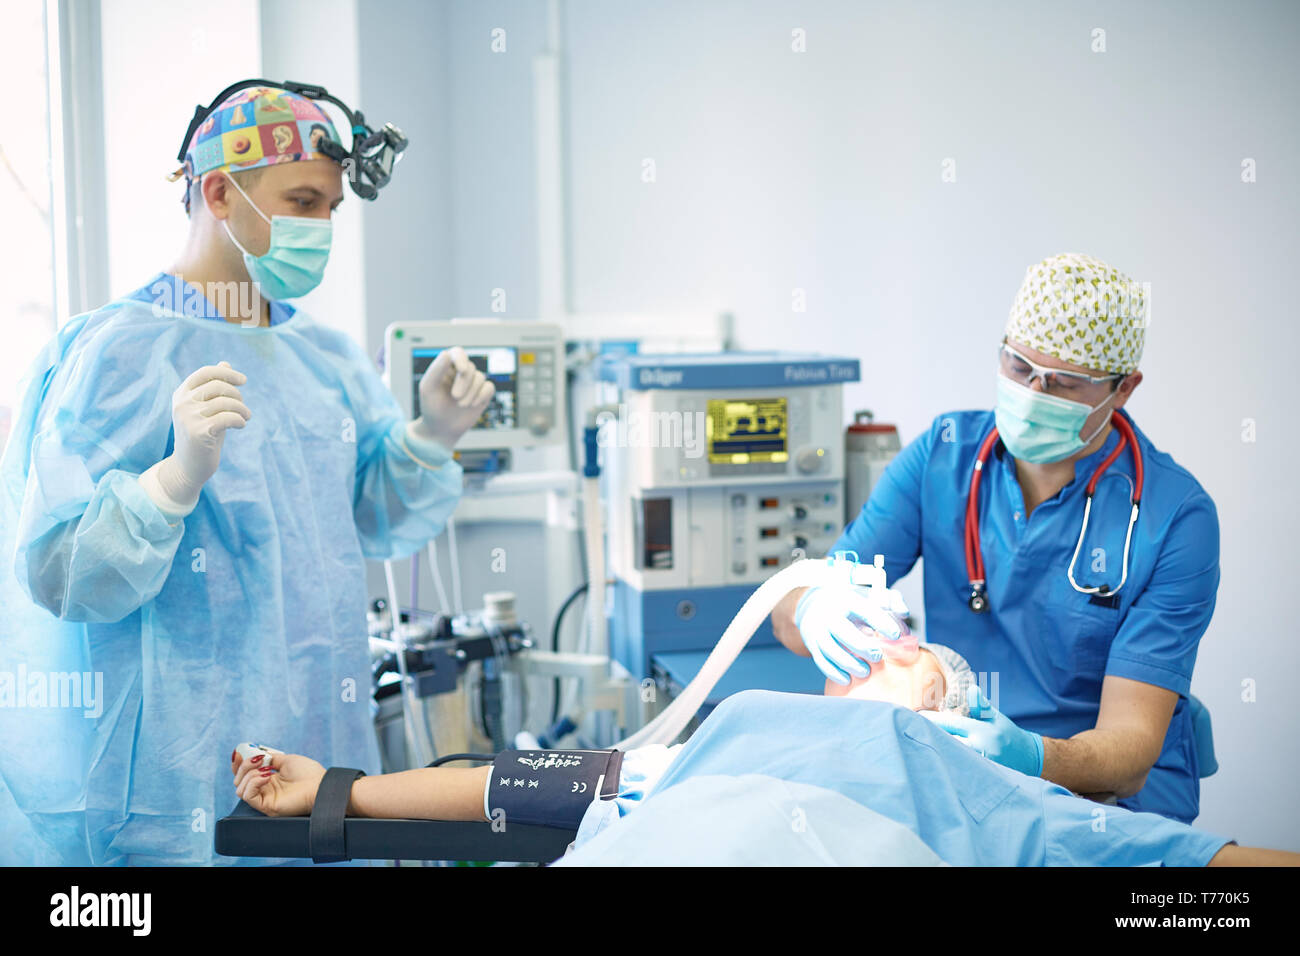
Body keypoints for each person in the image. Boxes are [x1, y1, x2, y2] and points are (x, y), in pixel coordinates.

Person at [0, 84, 493, 865]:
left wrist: (432, 435)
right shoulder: (118, 354)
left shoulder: (324, 358)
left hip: (321, 742)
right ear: (220, 190)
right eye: (301, 200)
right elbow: (64, 573)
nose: (320, 227)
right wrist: (170, 482)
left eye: (331, 207)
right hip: (174, 776)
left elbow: (373, 513)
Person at [771, 253, 1218, 825]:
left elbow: (1129, 752)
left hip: (1106, 806)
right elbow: (788, 606)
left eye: (1064, 383)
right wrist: (813, 606)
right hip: (961, 783)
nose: (1035, 391)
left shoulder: (1174, 516)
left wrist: (1028, 757)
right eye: (1019, 366)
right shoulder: (945, 454)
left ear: (1123, 389)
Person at [230, 641, 1294, 866]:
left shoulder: (983, 783)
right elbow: (506, 783)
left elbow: (1178, 861)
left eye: (912, 654)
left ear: (949, 707)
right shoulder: (726, 732)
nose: (879, 652)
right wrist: (336, 788)